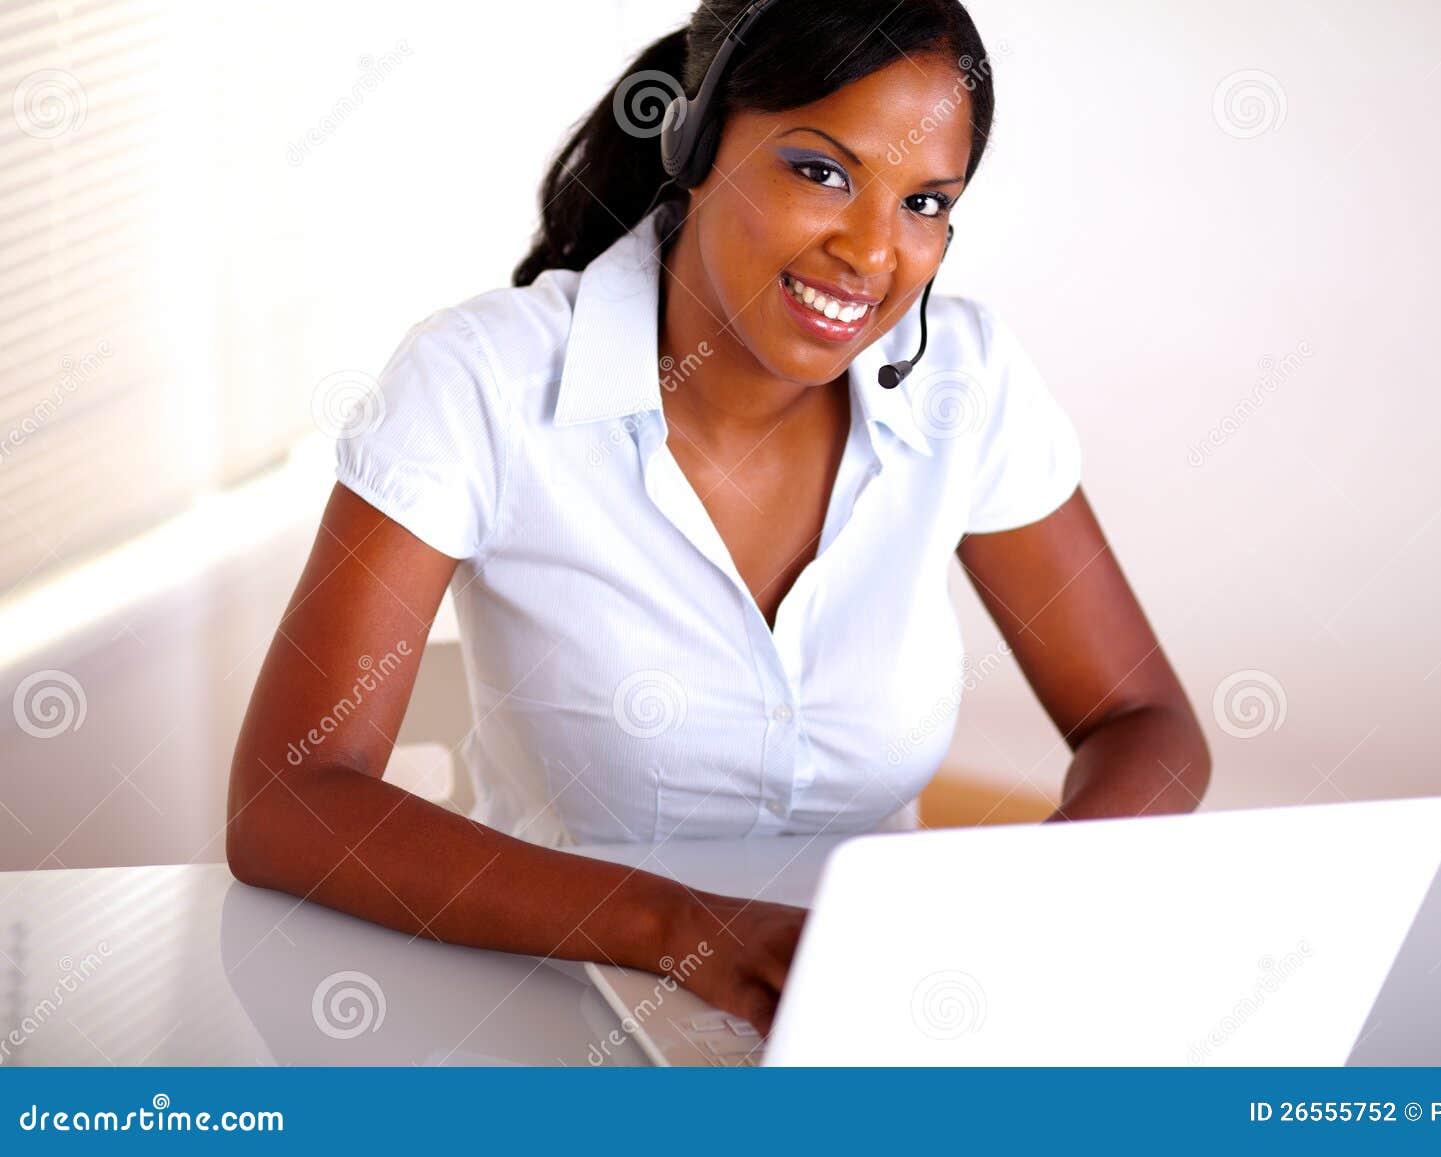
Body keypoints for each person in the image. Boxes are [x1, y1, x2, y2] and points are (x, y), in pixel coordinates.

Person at [226, 0, 1210, 1035]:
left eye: (923, 201)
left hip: (869, 1017)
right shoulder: (484, 379)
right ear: (693, 143)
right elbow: (288, 800)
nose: (872, 253)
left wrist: (1029, 894)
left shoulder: (963, 383)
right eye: (821, 171)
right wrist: (681, 929)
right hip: (561, 1010)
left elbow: (1143, 722)